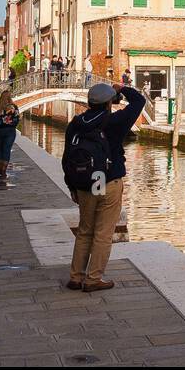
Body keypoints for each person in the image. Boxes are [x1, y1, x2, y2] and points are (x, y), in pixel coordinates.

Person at [66, 82, 146, 292]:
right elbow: (139, 101)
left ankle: (76, 277)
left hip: (84, 183)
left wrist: (72, 187)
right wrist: (122, 88)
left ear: (90, 102)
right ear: (109, 103)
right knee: (102, 232)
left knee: (85, 230)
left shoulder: (75, 123)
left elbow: (67, 159)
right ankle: (93, 279)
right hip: (106, 180)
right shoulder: (115, 121)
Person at [0, 90, 22, 178]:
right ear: (9, 97)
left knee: (0, 149)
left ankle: (0, 168)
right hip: (10, 131)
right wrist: (9, 122)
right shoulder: (14, 107)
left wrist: (1, 121)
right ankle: (4, 170)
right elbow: (17, 119)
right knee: (6, 149)